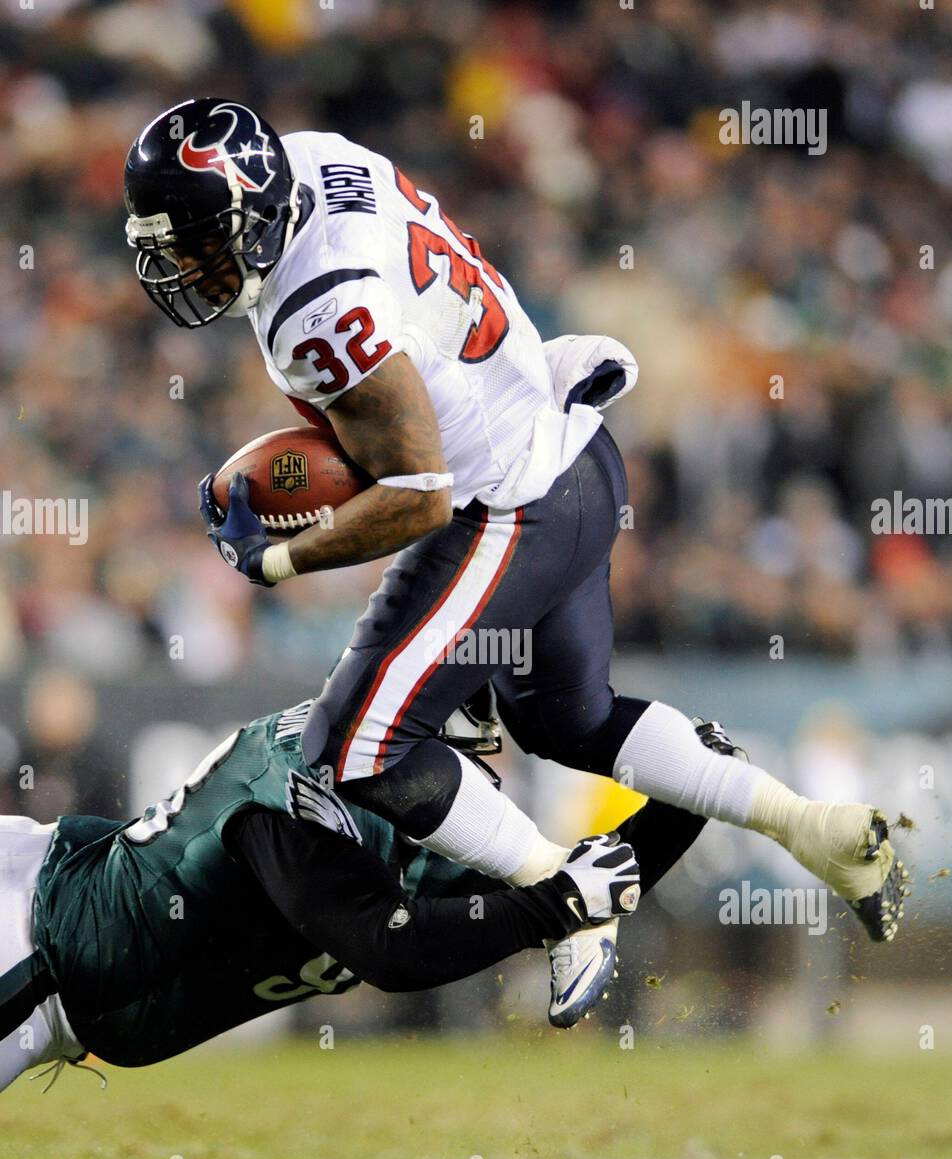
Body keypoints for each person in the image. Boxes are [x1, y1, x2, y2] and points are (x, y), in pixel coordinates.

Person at [123, 100, 906, 1009]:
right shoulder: (317, 159)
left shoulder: (318, 312)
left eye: (200, 239)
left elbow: (419, 494)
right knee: (566, 718)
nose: (184, 264)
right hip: (568, 451)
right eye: (170, 243)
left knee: (360, 747)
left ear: (256, 212)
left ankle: (570, 892)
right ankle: (817, 827)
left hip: (508, 506)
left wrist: (279, 563)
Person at [0, 705, 751, 1097]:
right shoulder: (298, 783)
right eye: (463, 743)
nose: (486, 764)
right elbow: (384, 946)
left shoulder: (424, 835)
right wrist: (550, 907)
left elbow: (589, 893)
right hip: (34, 934)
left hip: (83, 978)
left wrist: (689, 799)